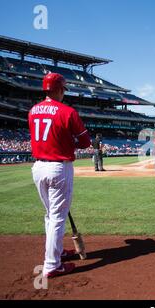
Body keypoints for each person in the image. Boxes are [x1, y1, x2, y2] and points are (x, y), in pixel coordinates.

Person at [29, 73, 91, 278]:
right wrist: (67, 141)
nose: (64, 93)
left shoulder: (33, 111)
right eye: (63, 89)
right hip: (58, 168)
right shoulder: (68, 112)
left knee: (50, 215)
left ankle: (57, 252)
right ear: (57, 89)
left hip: (38, 167)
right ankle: (52, 265)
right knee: (57, 218)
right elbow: (85, 142)